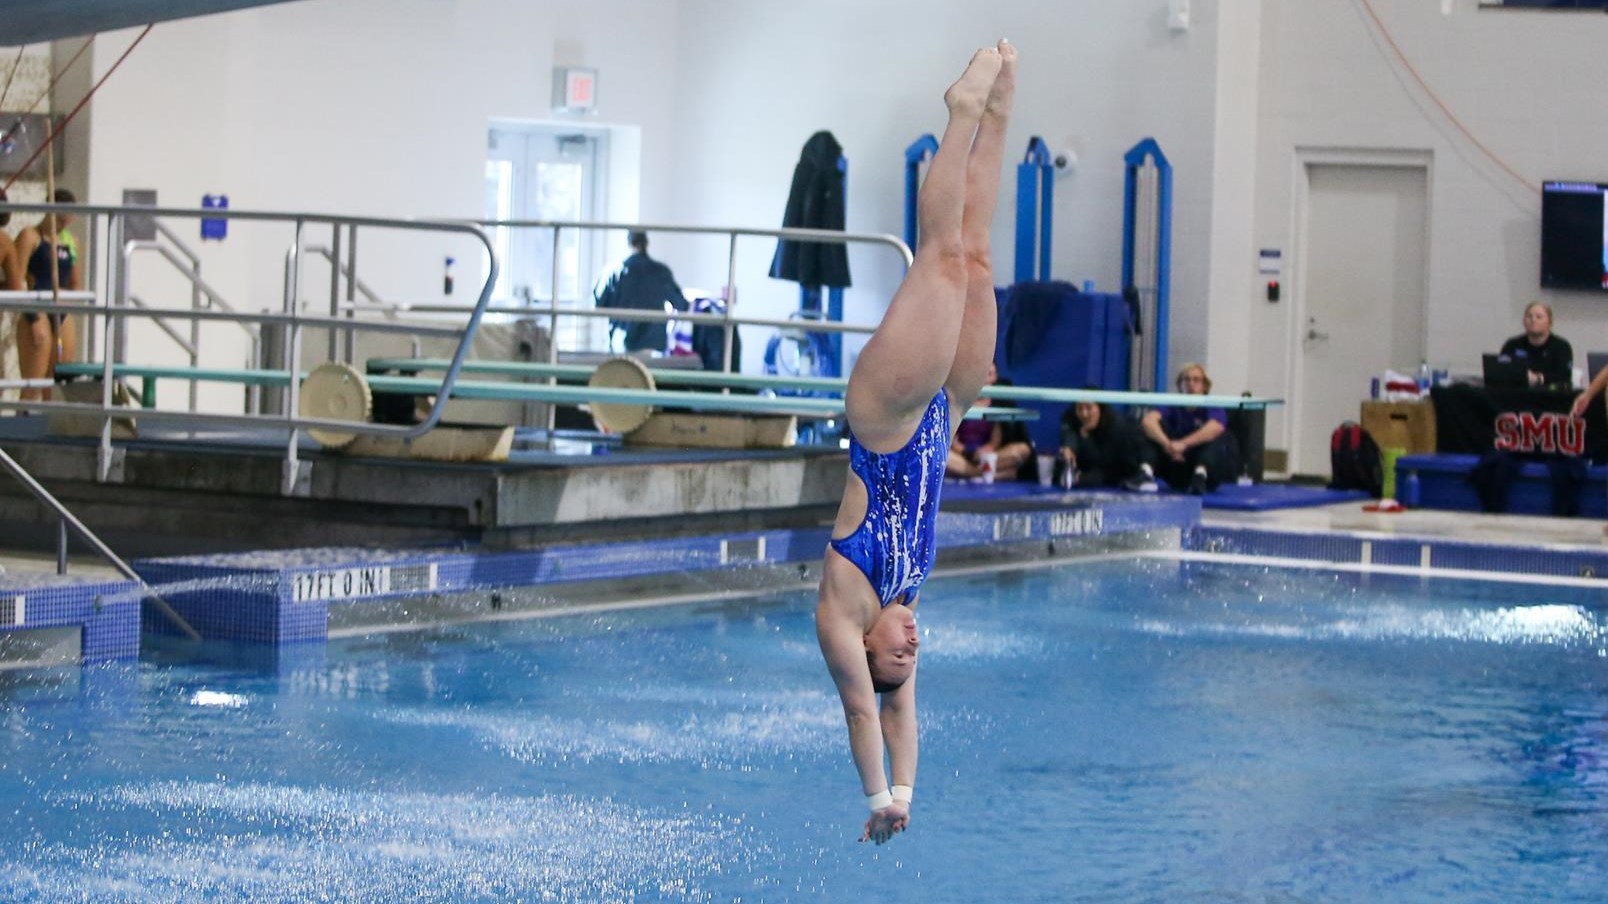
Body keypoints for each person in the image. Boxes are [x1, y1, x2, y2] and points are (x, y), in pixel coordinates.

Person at [816, 40, 1013, 846]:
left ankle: (959, 112)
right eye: (912, 656)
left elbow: (868, 708)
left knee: (937, 260)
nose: (912, 644)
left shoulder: (847, 607)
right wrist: (908, 794)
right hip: (945, 413)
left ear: (866, 646)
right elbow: (905, 714)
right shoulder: (908, 599)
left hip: (888, 417)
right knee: (975, 258)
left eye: (897, 654)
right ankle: (996, 113)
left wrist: (875, 800)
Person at [14, 188, 82, 403]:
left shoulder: (70, 242)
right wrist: (32, 316)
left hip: (61, 311)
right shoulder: (29, 236)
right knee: (34, 383)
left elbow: (75, 284)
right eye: (61, 214)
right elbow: (17, 281)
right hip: (37, 309)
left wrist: (68, 300)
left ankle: (51, 431)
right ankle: (21, 426)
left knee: (58, 383)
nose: (65, 220)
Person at [1132, 362, 1240, 494]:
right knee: (1149, 429)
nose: (1191, 383)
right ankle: (1146, 473)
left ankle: (1200, 476)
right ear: (1180, 384)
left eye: (1196, 380)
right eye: (1187, 379)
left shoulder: (1213, 405)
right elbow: (1148, 421)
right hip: (1176, 465)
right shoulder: (1172, 403)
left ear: (1205, 385)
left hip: (1205, 471)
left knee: (1220, 435)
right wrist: (1168, 445)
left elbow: (1215, 428)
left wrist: (1184, 444)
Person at [593, 230, 687, 354]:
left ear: (629, 244)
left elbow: (598, 304)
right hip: (654, 346)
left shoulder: (614, 273)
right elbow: (681, 305)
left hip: (622, 344)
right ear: (647, 243)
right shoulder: (661, 272)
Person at [945, 363, 1035, 481]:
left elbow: (995, 441)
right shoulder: (962, 398)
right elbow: (951, 437)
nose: (985, 379)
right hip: (961, 454)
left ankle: (974, 472)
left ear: (995, 378)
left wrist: (985, 452)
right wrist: (966, 452)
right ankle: (984, 473)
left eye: (989, 374)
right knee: (943, 457)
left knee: (1023, 449)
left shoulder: (999, 402)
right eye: (982, 374)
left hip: (988, 455)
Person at [1057, 396, 1146, 488]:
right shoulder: (1072, 419)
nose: (1084, 414)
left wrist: (1086, 437)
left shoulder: (1117, 427)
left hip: (1120, 472)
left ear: (1099, 408)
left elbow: (1107, 465)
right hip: (1093, 471)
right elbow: (1069, 434)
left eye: (1089, 408)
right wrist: (1069, 448)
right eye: (1079, 409)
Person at [1500, 302, 1572, 390]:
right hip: (1517, 395)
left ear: (1550, 322)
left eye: (1539, 317)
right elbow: (1501, 371)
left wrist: (1538, 378)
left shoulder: (1561, 347)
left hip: (1550, 398)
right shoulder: (1512, 345)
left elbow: (1564, 376)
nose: (1533, 320)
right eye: (1529, 316)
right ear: (1524, 321)